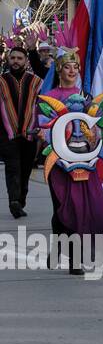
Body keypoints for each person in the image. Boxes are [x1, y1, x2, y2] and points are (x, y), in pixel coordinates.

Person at [35, 37, 103, 274]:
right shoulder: (49, 96)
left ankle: (76, 258)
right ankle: (58, 245)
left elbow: (94, 127)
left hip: (85, 160)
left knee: (88, 208)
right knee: (63, 208)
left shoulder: (86, 98)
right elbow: (44, 126)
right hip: (59, 162)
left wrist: (97, 133)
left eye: (76, 67)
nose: (72, 71)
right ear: (59, 69)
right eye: (67, 66)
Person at [1, 45, 42, 219]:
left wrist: (33, 51)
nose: (16, 61)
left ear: (25, 61)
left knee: (25, 169)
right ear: (8, 60)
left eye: (19, 58)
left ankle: (20, 199)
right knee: (13, 167)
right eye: (13, 58)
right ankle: (14, 201)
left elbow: (43, 105)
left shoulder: (36, 81)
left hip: (30, 133)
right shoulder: (1, 80)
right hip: (5, 133)